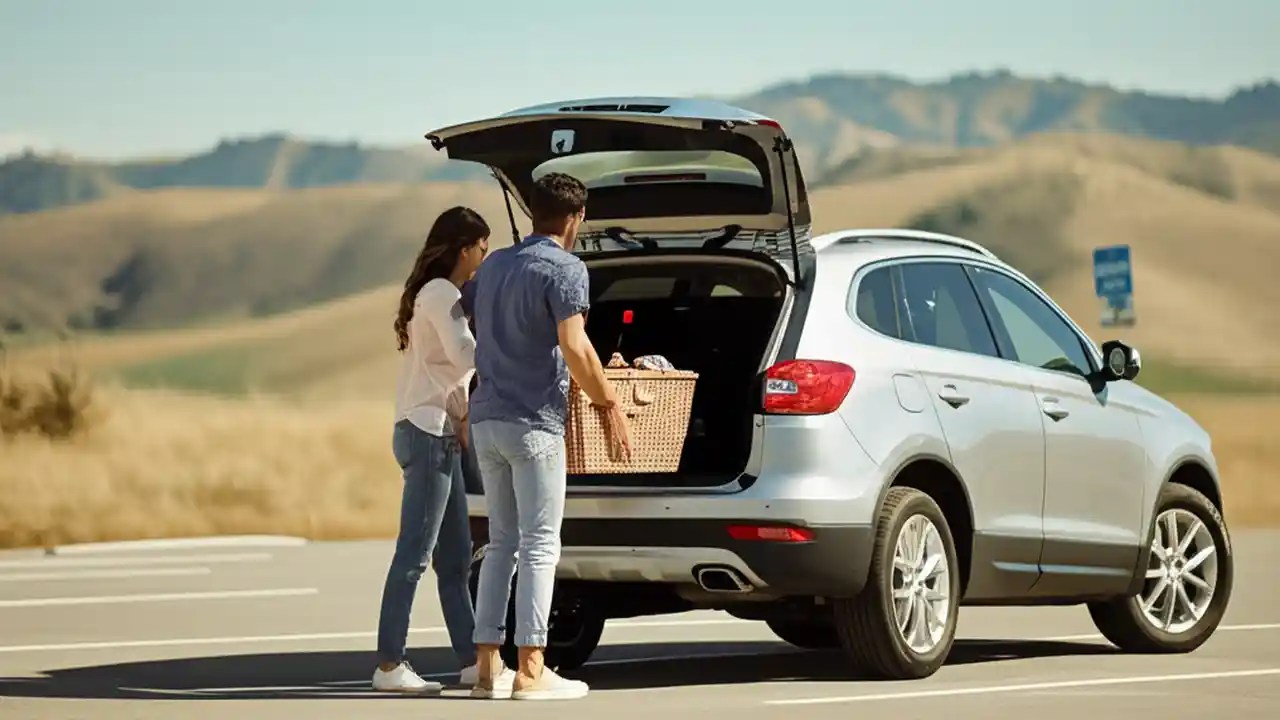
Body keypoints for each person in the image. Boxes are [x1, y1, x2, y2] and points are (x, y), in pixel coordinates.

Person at [464, 172, 632, 701]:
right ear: (576, 218)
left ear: (534, 212)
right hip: (533, 423)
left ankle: (488, 667)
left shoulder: (492, 266)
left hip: (486, 417)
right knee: (540, 546)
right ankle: (532, 669)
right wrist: (610, 404)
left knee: (501, 545)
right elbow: (575, 346)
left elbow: (474, 318)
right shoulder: (565, 268)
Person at [373, 206, 515, 696]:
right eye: (482, 245)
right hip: (425, 434)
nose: (485, 254)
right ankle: (390, 664)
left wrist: (461, 415)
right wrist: (514, 346)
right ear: (464, 249)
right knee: (414, 554)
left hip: (438, 431)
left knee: (455, 560)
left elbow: (447, 372)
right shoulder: (442, 295)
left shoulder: (439, 294)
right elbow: (466, 357)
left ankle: (472, 664)